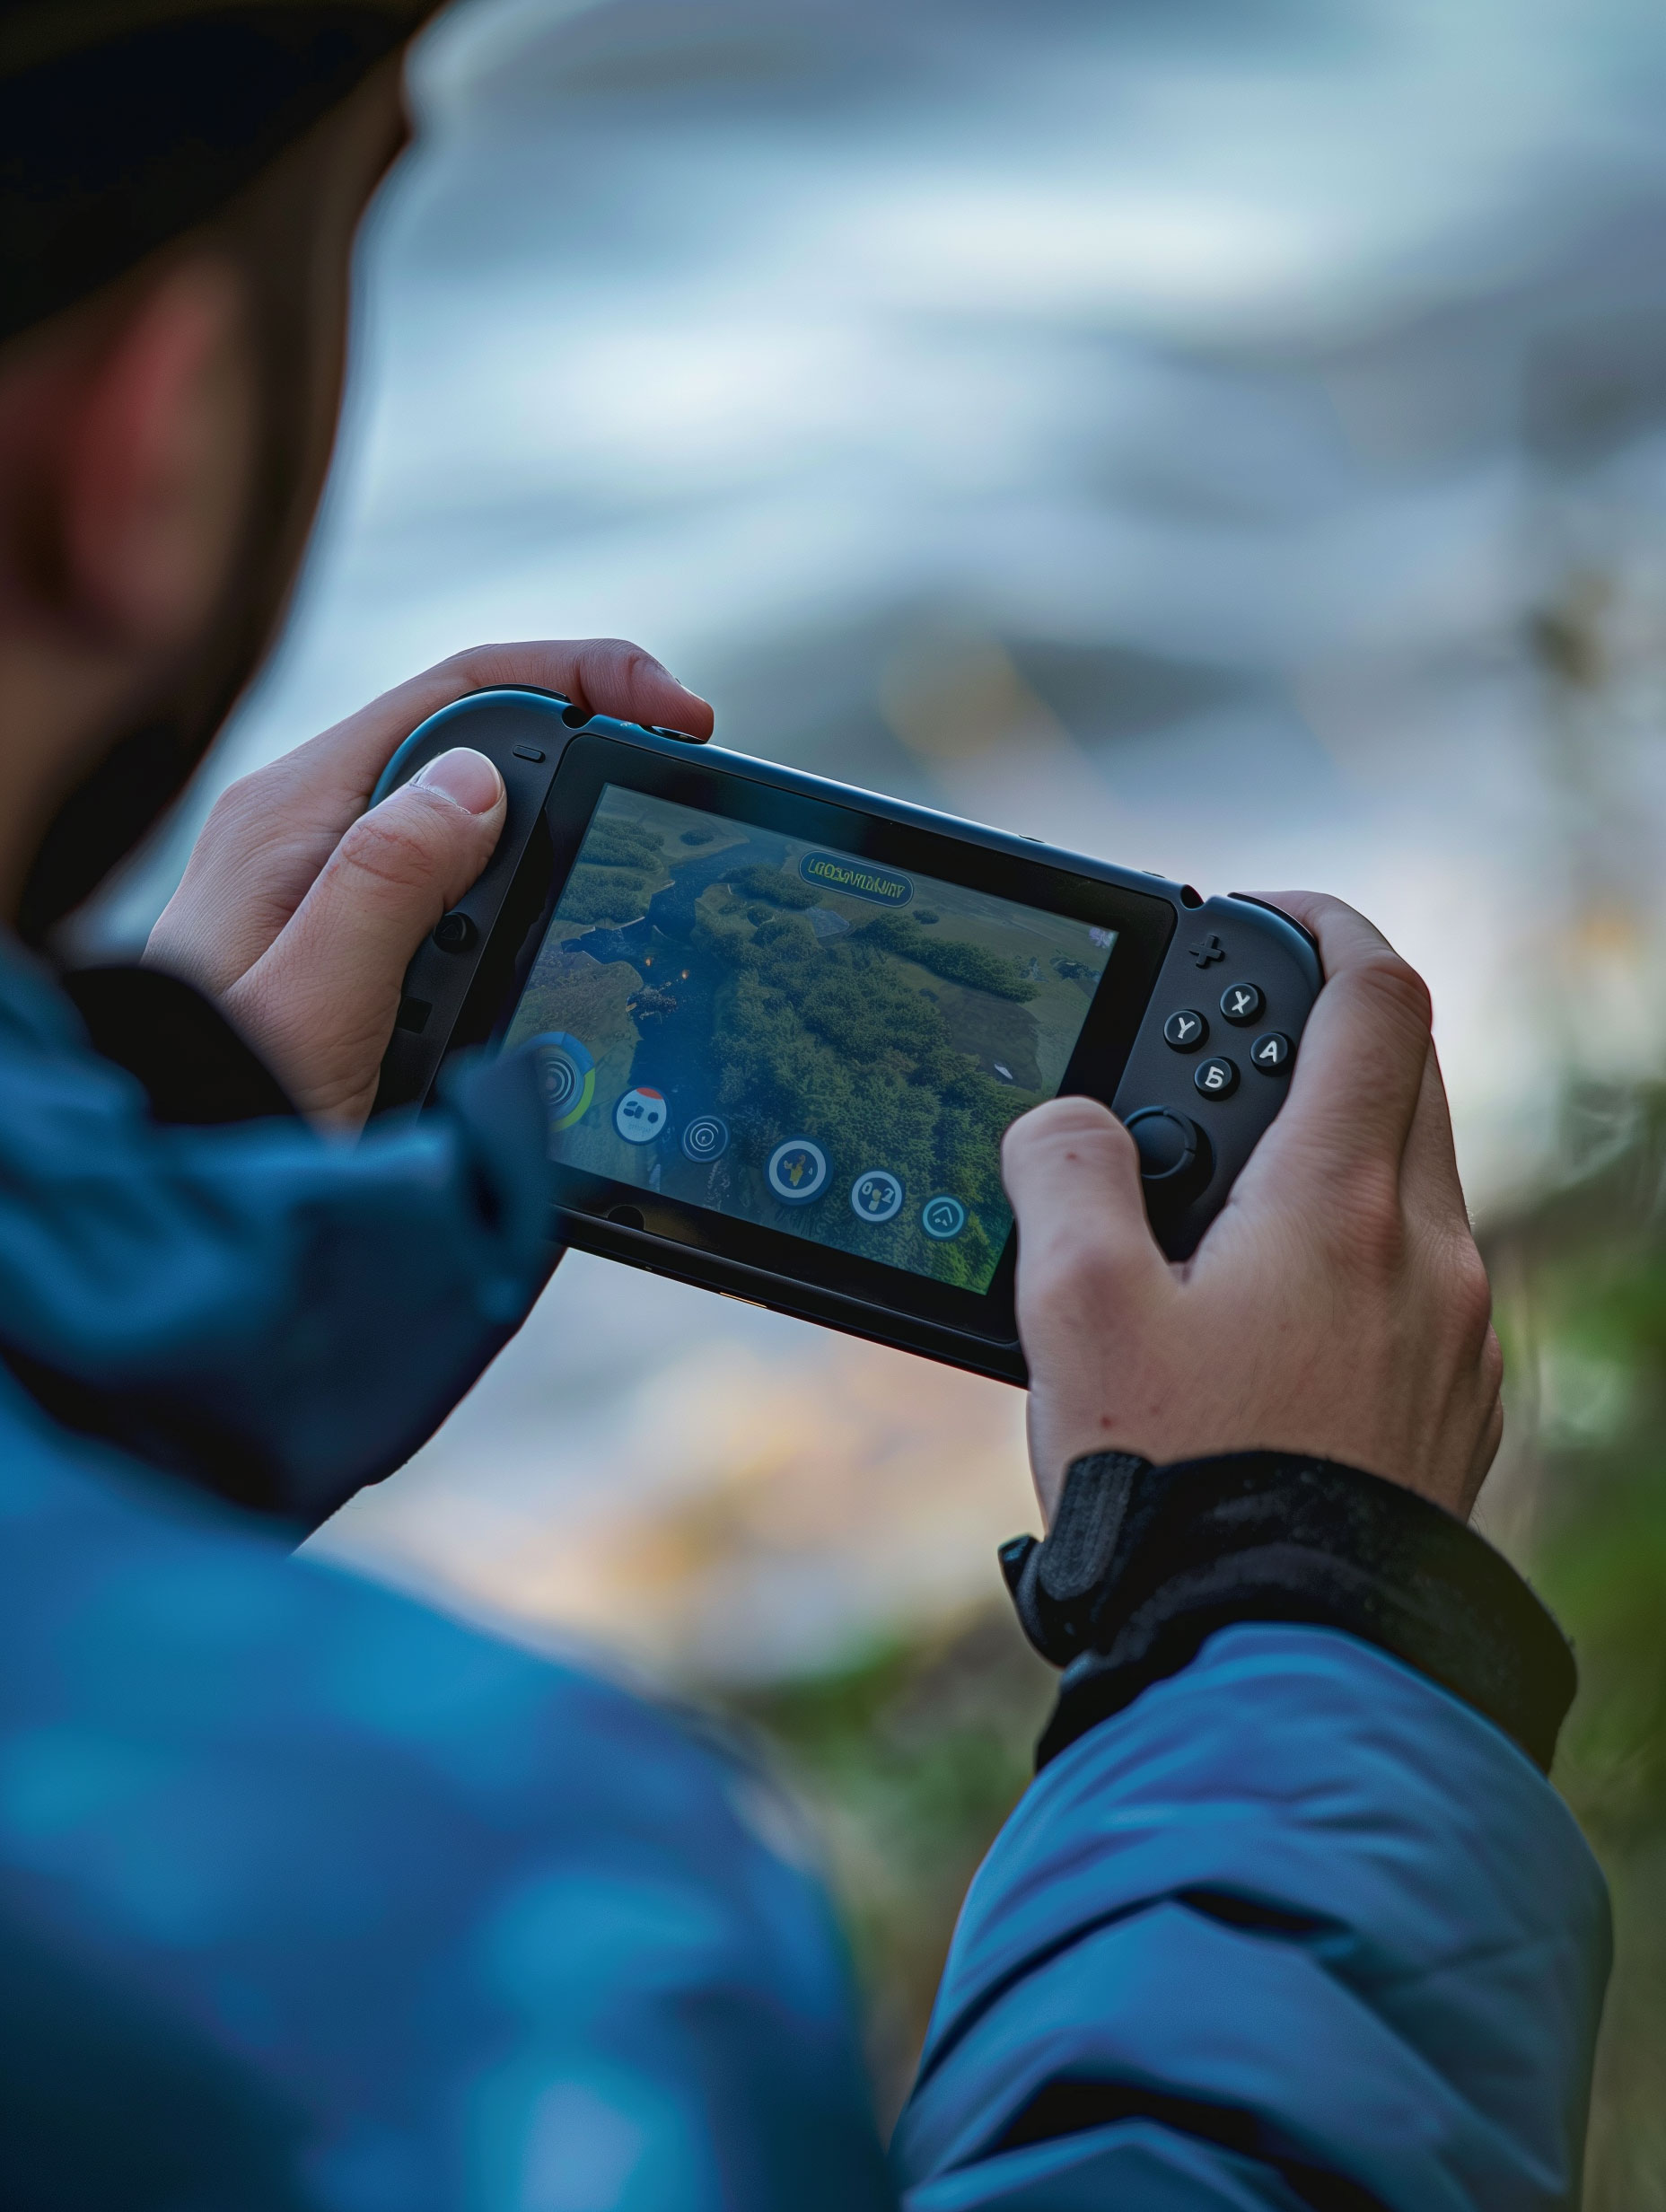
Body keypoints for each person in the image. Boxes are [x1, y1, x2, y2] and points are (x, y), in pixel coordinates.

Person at [0, 5, 1609, 2208]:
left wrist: (127, 1322)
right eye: (359, 206)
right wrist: (1294, 1615)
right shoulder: (496, 1954)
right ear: (153, 428)